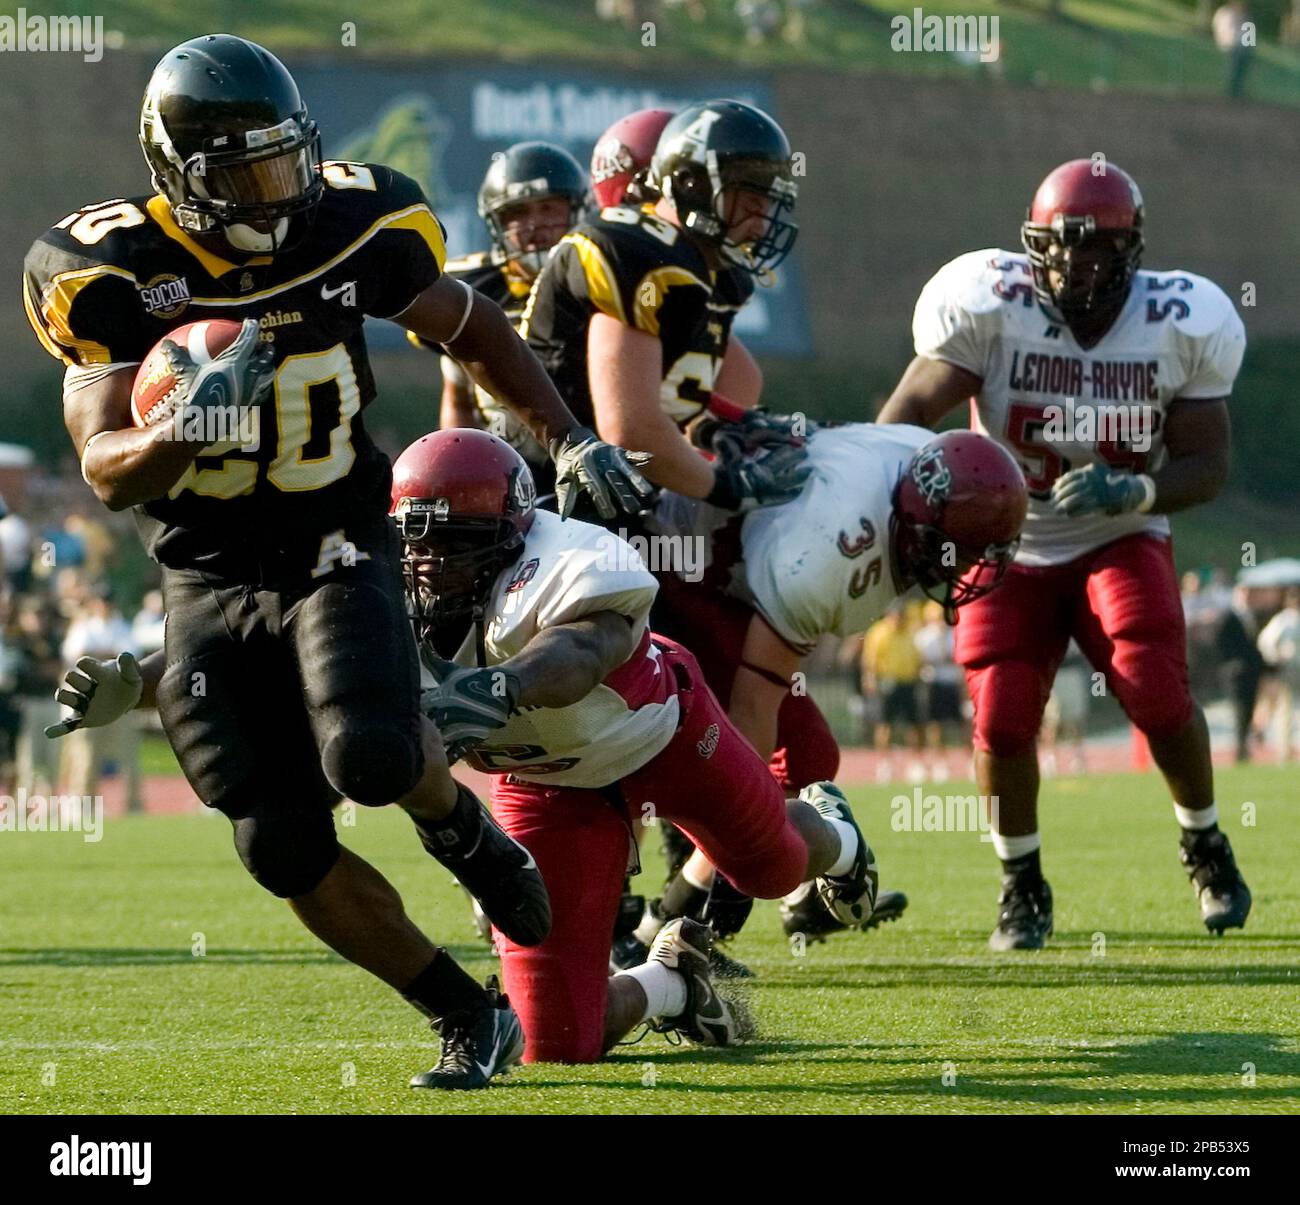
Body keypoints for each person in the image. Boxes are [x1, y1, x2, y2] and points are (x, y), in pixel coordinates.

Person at [26, 34, 652, 1090]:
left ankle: (466, 832)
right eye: (248, 173)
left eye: (288, 161)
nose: (281, 192)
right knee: (276, 844)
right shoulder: (108, 269)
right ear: (177, 171)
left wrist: (568, 436)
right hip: (206, 567)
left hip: (335, 534)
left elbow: (470, 324)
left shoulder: (353, 220)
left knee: (366, 746)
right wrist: (183, 426)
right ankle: (465, 1010)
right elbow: (104, 465)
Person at [49, 429, 882, 1070]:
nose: (424, 562)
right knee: (558, 1040)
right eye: (412, 539)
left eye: (451, 544)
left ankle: (833, 832)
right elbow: (254, 634)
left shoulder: (568, 558)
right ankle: (673, 981)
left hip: (662, 736)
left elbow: (584, 650)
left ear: (513, 534)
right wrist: (149, 672)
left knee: (770, 866)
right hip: (541, 783)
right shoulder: (369, 582)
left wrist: (503, 685)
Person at [878, 158, 1252, 946]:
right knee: (1002, 717)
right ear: (1031, 245)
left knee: (1154, 686)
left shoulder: (1179, 319)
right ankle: (1022, 884)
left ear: (1129, 252)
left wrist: (1138, 492)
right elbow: (908, 411)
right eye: (1057, 247)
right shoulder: (990, 304)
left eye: (1091, 249)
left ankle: (1205, 842)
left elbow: (1208, 465)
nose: (1072, 264)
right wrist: (891, 491)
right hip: (1010, 543)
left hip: (1119, 533)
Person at [637, 423, 1026, 948]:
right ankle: (666, 921)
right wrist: (737, 850)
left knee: (807, 758)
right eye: (950, 550)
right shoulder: (827, 558)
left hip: (728, 569)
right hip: (684, 571)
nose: (964, 568)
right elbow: (752, 709)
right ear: (913, 525)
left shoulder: (920, 455)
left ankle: (775, 901)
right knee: (747, 763)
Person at [523, 99, 808, 517]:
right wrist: (729, 486)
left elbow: (735, 382)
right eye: (750, 201)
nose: (762, 224)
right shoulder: (636, 253)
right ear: (691, 185)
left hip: (623, 484)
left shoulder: (705, 265)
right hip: (553, 488)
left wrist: (716, 428)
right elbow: (630, 428)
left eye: (769, 204)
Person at [409, 142, 589, 494]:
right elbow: (459, 399)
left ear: (577, 210)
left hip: (594, 453)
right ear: (496, 222)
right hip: (507, 470)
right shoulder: (473, 286)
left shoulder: (600, 280)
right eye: (517, 213)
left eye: (549, 208)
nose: (535, 225)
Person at [1257, 588, 1300, 761]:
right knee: (1286, 709)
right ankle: (1284, 750)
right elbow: (1266, 641)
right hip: (1288, 670)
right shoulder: (1284, 620)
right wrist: (1276, 658)